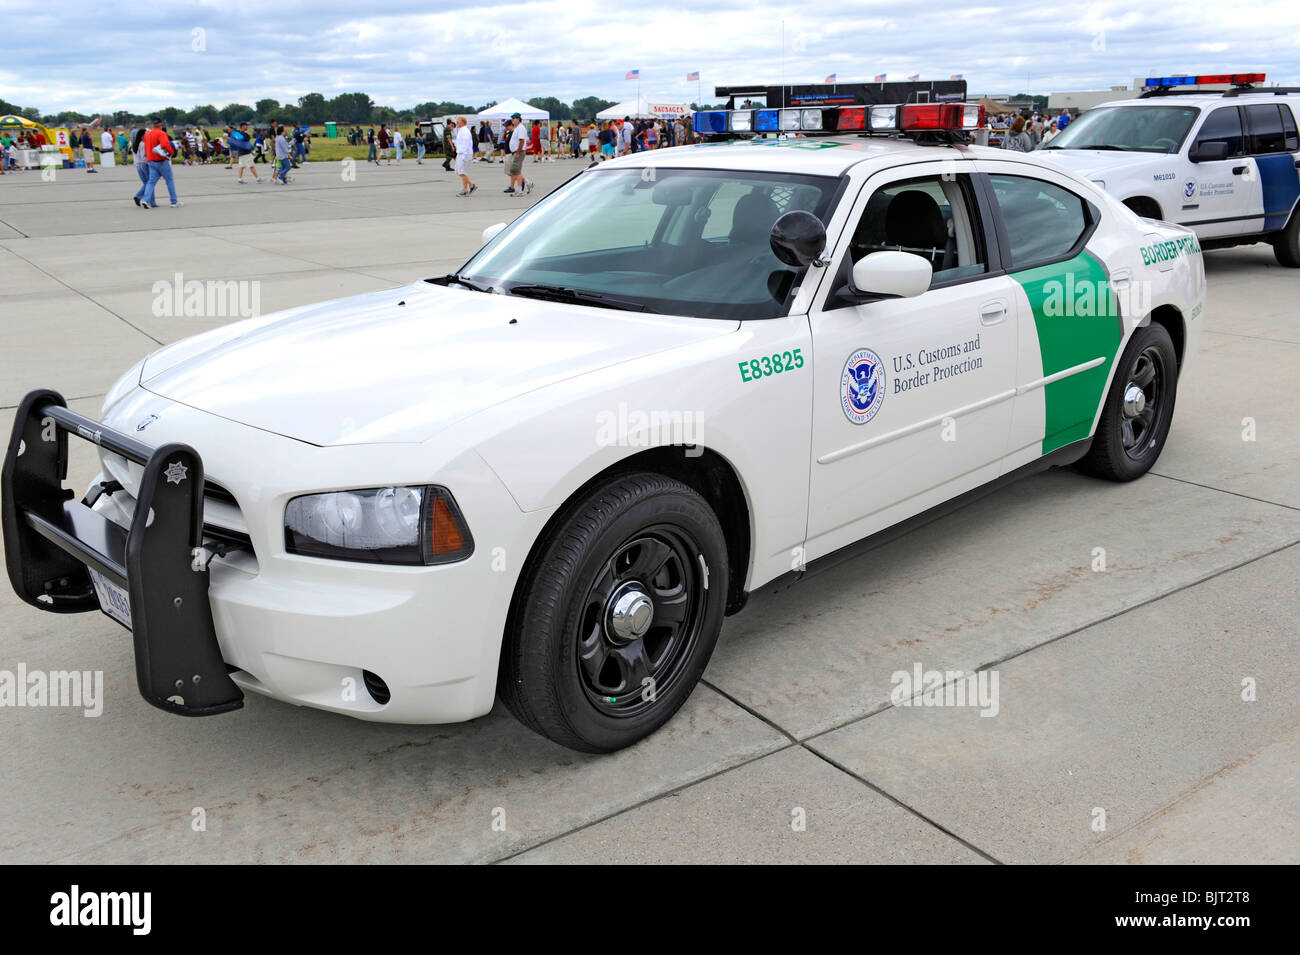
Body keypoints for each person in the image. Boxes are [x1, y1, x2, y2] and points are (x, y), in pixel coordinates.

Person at [137, 117, 180, 208]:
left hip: (151, 161)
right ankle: (174, 201)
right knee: (169, 180)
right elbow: (164, 144)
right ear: (161, 125)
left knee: (151, 182)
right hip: (161, 161)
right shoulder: (161, 133)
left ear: (153, 125)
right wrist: (171, 152)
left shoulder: (148, 134)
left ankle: (145, 199)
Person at [453, 116, 476, 197]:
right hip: (461, 154)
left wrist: (463, 156)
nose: (457, 123)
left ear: (463, 122)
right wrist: (457, 155)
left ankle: (467, 188)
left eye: (458, 121)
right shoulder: (461, 130)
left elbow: (466, 144)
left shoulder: (465, 131)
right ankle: (469, 187)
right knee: (459, 171)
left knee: (461, 171)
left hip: (465, 154)